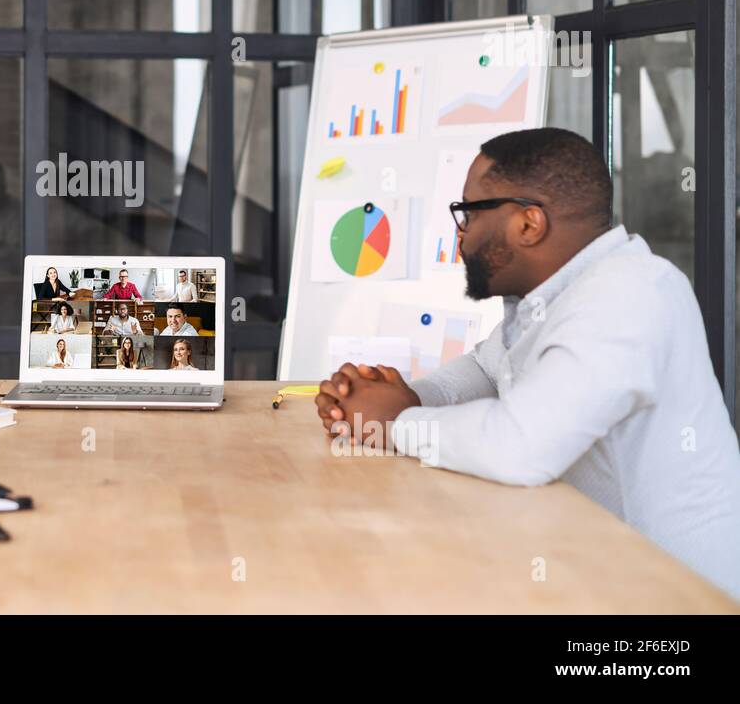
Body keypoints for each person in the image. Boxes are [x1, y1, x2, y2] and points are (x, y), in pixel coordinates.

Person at [314, 127, 740, 600]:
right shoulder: (558, 293)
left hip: (673, 602)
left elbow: (521, 445)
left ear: (528, 224)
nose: (460, 235)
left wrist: (395, 422)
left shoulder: (630, 296)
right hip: (595, 573)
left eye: (468, 214)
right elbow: (486, 369)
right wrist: (411, 396)